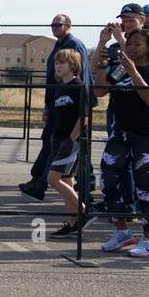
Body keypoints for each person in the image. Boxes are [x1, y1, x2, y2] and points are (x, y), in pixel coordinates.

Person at [95, 27, 149, 258]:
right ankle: (121, 231)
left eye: (138, 44)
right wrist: (101, 64)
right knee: (107, 181)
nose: (132, 48)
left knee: (144, 187)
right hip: (120, 134)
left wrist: (134, 72)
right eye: (129, 44)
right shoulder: (119, 69)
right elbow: (100, 91)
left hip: (144, 135)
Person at [20, 13, 90, 200]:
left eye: (58, 25)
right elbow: (53, 77)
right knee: (52, 144)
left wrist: (80, 96)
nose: (54, 28)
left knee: (70, 149)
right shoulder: (58, 45)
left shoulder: (73, 45)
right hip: (58, 101)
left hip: (70, 104)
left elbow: (82, 75)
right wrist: (48, 105)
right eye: (52, 25)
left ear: (68, 26)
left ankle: (46, 184)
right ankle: (42, 184)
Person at [44, 49, 88, 237]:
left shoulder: (78, 86)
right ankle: (72, 223)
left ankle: (84, 211)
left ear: (73, 65)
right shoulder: (60, 86)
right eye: (56, 62)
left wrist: (71, 139)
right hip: (58, 138)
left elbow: (83, 116)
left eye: (62, 62)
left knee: (53, 179)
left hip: (71, 141)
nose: (58, 66)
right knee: (66, 180)